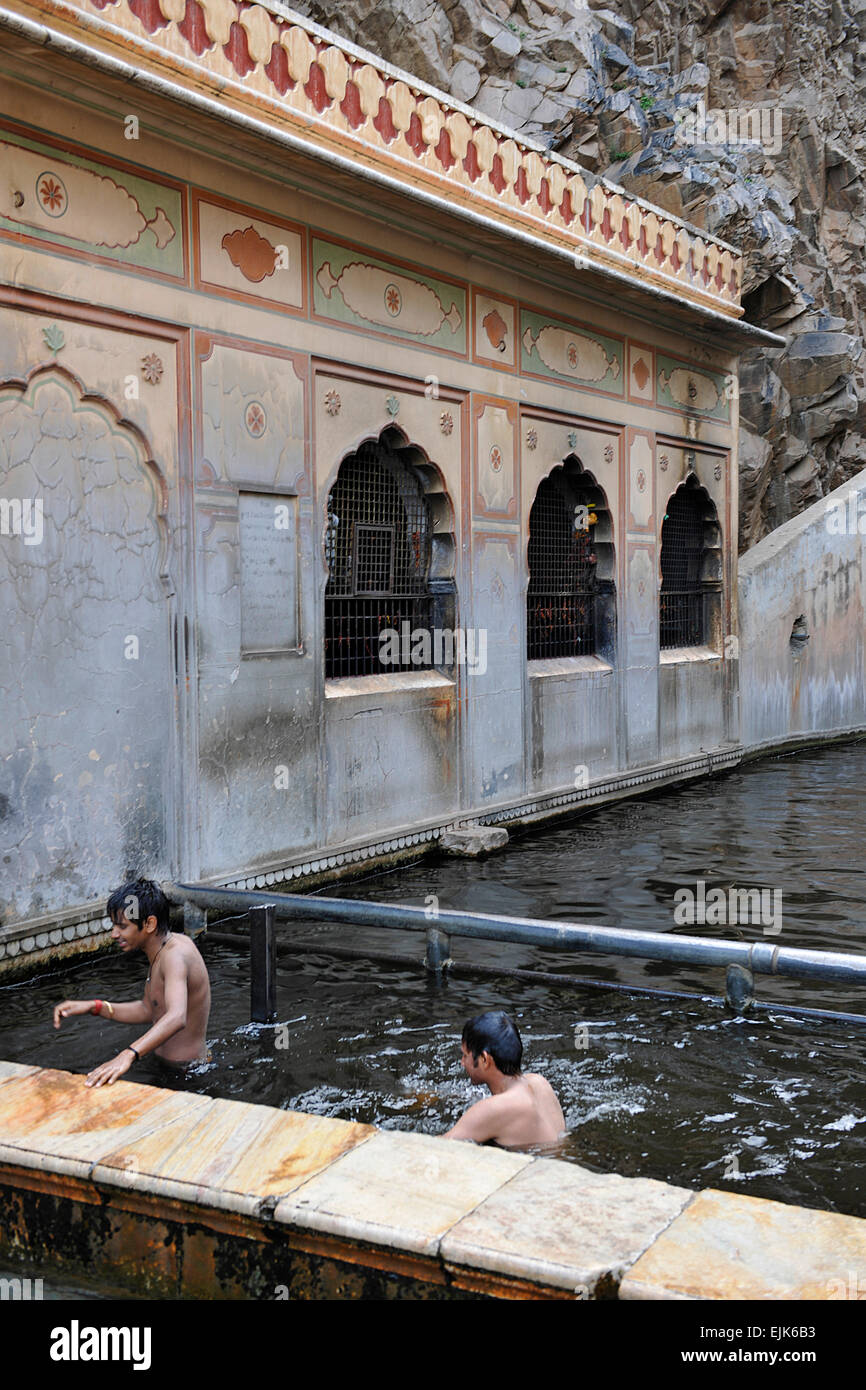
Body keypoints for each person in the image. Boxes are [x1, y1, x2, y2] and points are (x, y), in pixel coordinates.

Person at [53, 878, 211, 1087]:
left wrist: (127, 1055)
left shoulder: (175, 955)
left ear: (149, 924)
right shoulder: (161, 951)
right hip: (167, 1066)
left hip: (187, 1073)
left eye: (122, 926)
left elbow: (176, 1016)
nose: (114, 934)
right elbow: (148, 1009)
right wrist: (95, 1007)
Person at [442, 1010, 565, 1148]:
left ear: (484, 1059)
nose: (462, 1062)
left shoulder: (495, 1109)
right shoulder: (539, 1082)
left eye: (465, 1055)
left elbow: (436, 1146)